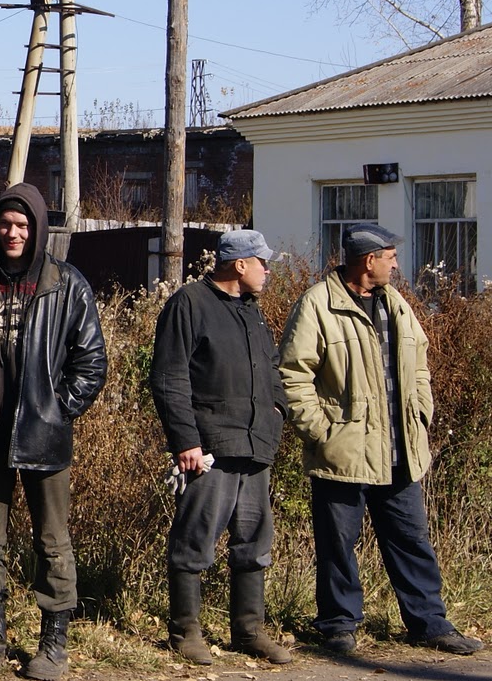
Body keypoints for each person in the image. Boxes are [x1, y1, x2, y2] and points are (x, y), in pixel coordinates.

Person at [279, 223, 482, 656]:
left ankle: (430, 624)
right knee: (337, 545)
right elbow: (293, 375)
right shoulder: (318, 305)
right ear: (368, 260)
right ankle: (338, 626)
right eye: (389, 256)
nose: (395, 263)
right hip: (343, 451)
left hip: (401, 451)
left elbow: (420, 362)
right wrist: (321, 430)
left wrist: (420, 413)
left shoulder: (396, 304)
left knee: (412, 541)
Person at [0, 183, 106, 681]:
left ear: (36, 229)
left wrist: (58, 409)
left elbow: (92, 361)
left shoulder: (66, 284)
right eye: (5, 225)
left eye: (22, 225)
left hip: (42, 438)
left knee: (52, 542)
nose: (12, 233)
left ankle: (53, 645)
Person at [149, 230, 292, 665]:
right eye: (262, 262)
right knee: (195, 538)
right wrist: (186, 440)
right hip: (210, 446)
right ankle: (185, 631)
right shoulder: (189, 303)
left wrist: (277, 411)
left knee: (254, 541)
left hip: (255, 444)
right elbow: (170, 377)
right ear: (239, 265)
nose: (268, 270)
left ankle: (249, 631)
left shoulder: (252, 312)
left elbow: (271, 369)